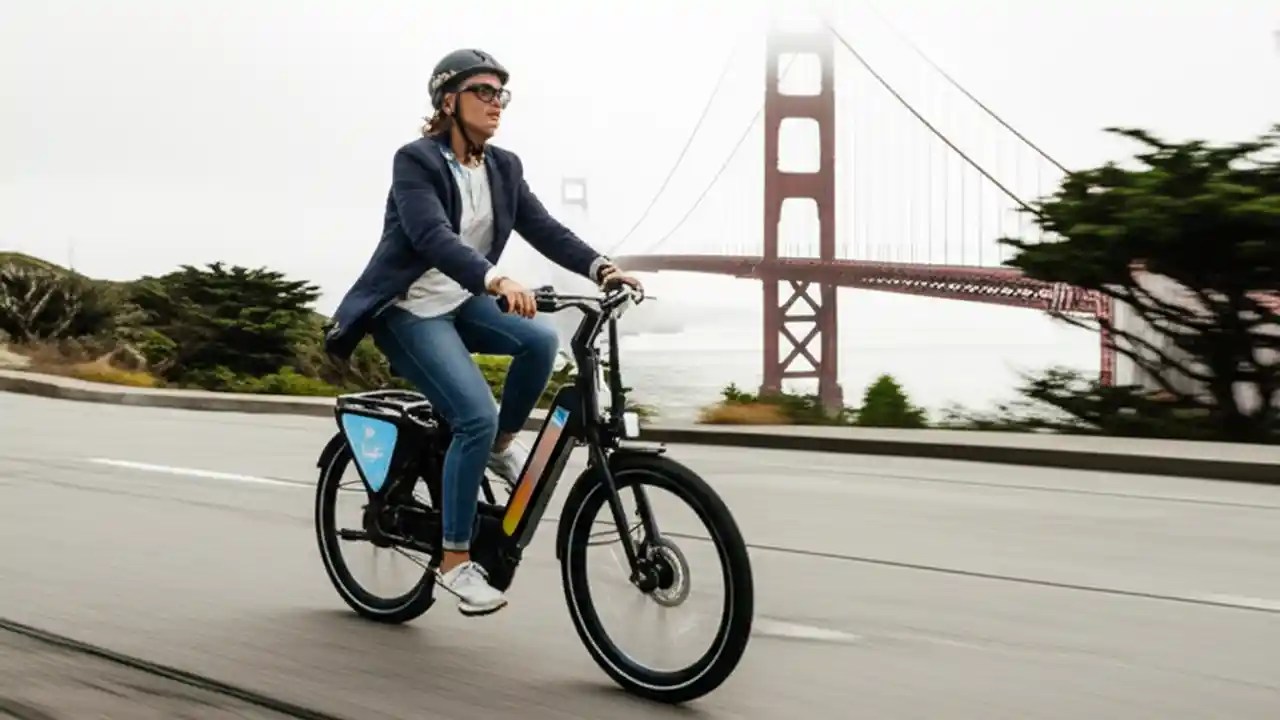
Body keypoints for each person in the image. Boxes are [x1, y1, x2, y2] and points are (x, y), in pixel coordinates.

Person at [324, 48, 642, 617]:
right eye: (484, 92)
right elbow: (430, 235)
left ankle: (497, 446)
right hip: (409, 310)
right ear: (449, 101)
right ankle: (453, 561)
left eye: (502, 94)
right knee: (473, 413)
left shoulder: (503, 167)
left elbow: (544, 227)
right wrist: (494, 277)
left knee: (540, 341)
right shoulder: (416, 162)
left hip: (461, 300)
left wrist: (602, 267)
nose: (497, 104)